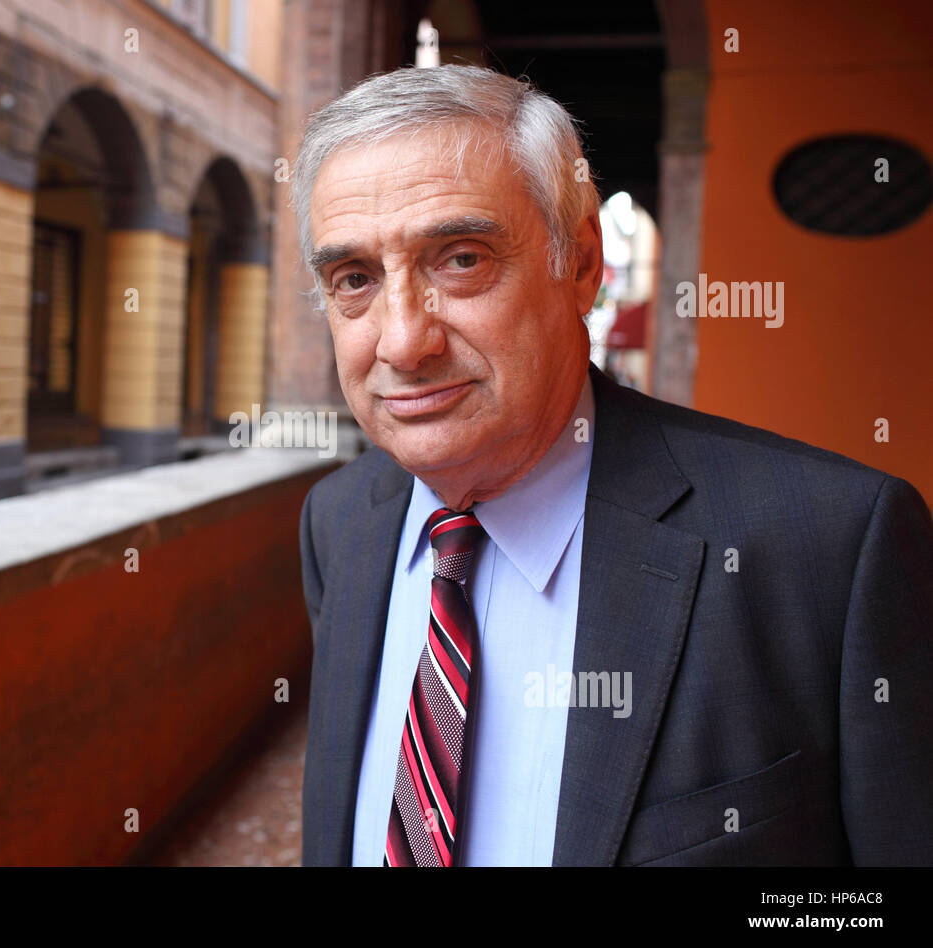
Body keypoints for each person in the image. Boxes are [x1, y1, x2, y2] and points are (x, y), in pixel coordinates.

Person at [292, 65, 933, 866]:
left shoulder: (832, 549)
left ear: (584, 266)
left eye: (460, 259)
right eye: (353, 279)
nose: (400, 342)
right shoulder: (339, 522)